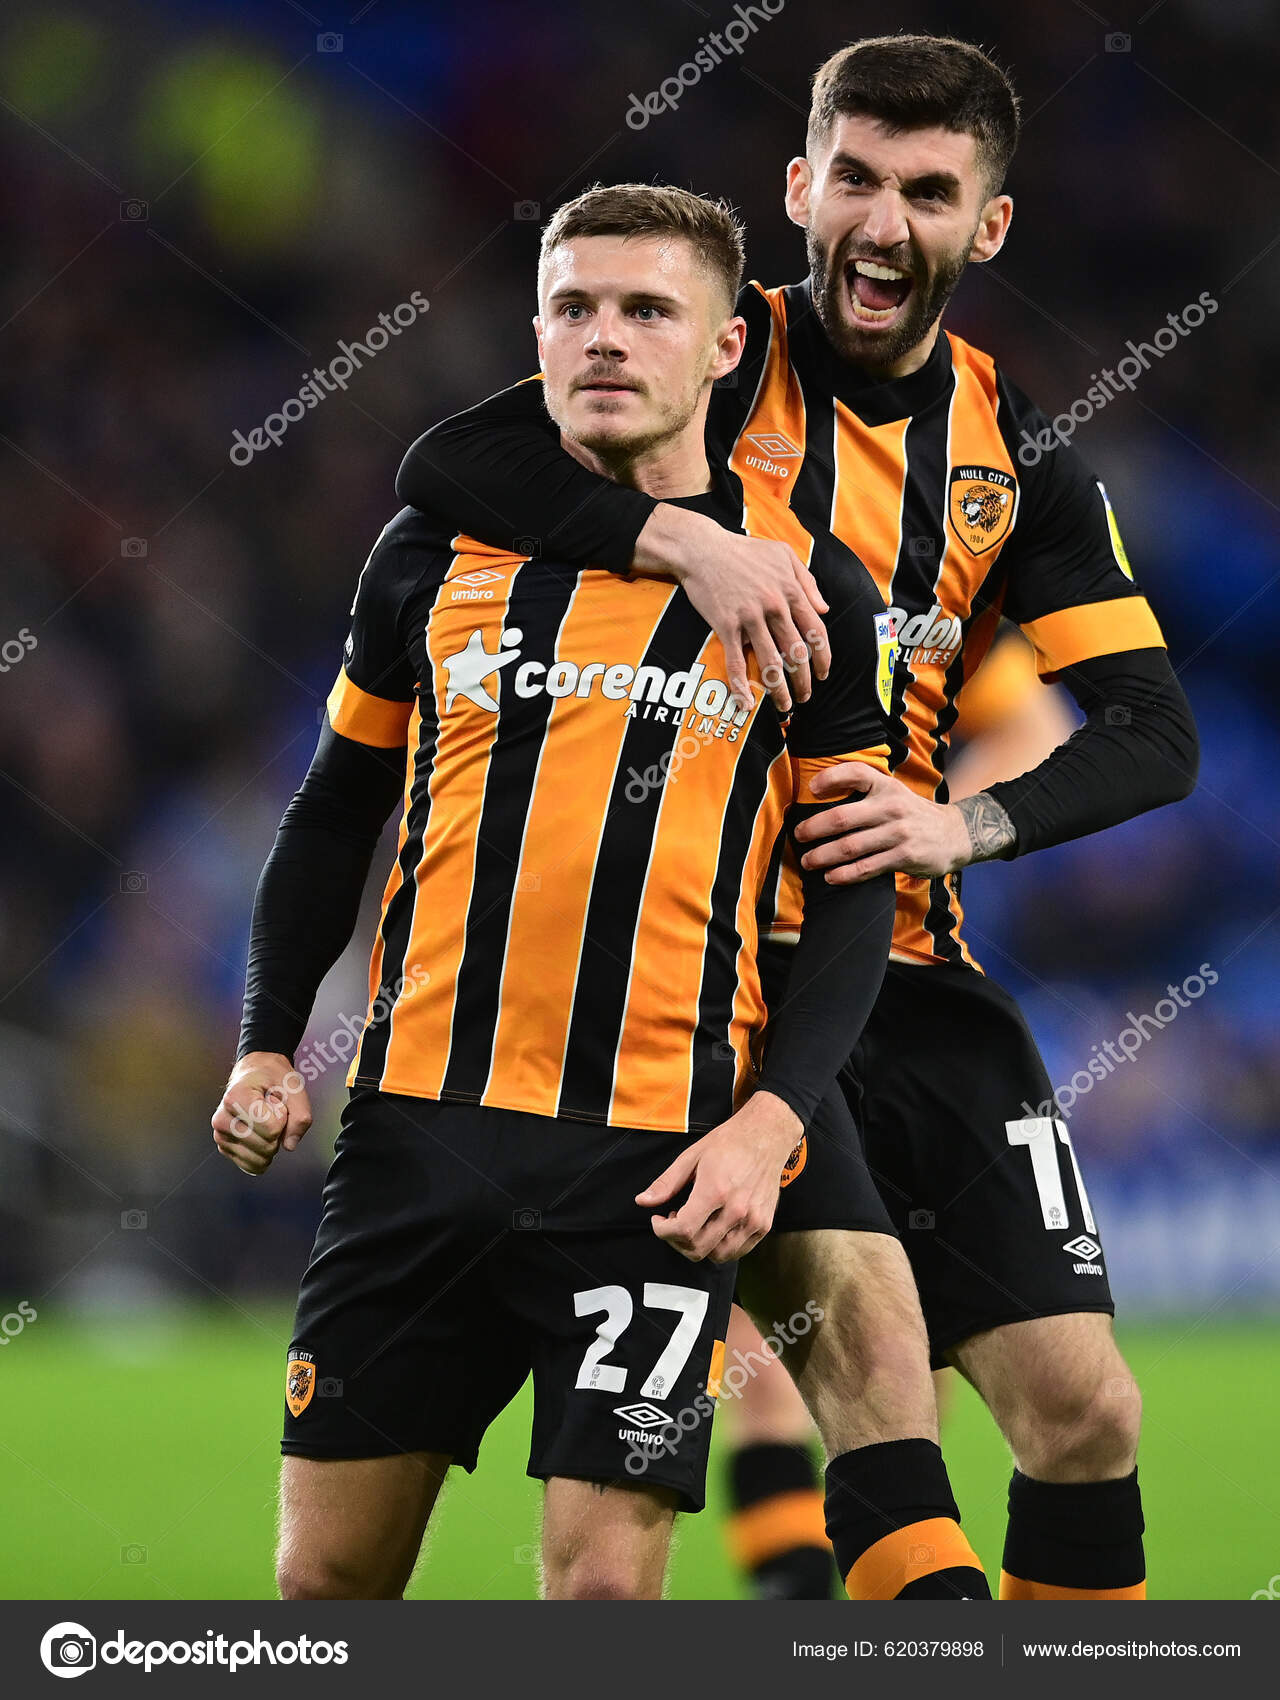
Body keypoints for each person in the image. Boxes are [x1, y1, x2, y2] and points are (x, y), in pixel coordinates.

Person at [394, 36, 1200, 1603]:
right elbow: (448, 463)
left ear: (989, 227)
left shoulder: (1010, 453)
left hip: (920, 969)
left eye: (927, 192)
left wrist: (966, 827)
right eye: (854, 180)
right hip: (723, 979)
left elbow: (1155, 733)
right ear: (797, 188)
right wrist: (674, 544)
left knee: (1087, 1414)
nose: (883, 224)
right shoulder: (696, 348)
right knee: (871, 1378)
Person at [212, 183, 989, 1602]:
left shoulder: (813, 586)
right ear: (536, 334)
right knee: (327, 1587)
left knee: (604, 1598)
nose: (606, 339)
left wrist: (766, 1126)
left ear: (724, 351)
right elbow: (335, 812)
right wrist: (269, 1037)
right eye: (574, 307)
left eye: (648, 311)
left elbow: (854, 893)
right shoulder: (436, 550)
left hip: (649, 1162)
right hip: (416, 1140)